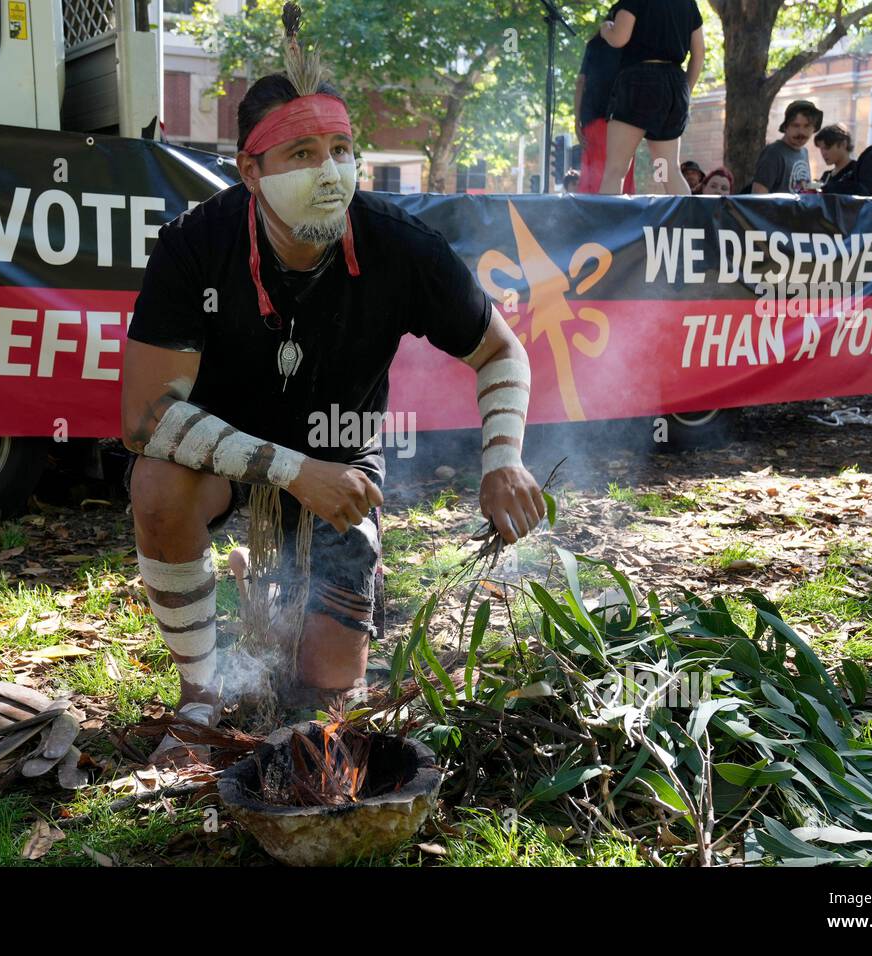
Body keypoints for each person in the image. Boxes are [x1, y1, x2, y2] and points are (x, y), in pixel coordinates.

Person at [120, 4, 546, 765]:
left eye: (342, 148)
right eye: (302, 154)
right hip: (223, 468)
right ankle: (201, 693)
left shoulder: (399, 244)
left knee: (324, 696)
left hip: (345, 471)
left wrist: (503, 458)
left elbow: (502, 352)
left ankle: (281, 598)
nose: (330, 171)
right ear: (251, 172)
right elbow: (147, 420)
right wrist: (291, 471)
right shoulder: (196, 244)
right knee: (157, 484)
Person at [597, 0, 705, 195]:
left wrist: (606, 29)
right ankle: (687, 222)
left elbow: (619, 38)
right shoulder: (688, 3)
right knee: (668, 170)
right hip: (675, 86)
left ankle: (609, 224)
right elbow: (699, 54)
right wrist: (684, 92)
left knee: (616, 170)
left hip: (639, 84)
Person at [573, 8, 636, 195]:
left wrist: (577, 119)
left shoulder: (594, 44)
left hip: (594, 118)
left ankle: (593, 221)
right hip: (625, 119)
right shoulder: (634, 43)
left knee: (594, 177)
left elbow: (580, 82)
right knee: (621, 177)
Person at [750, 99, 822, 194]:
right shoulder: (773, 153)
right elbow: (758, 197)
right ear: (785, 127)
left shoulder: (804, 152)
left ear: (814, 128)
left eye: (807, 126)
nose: (801, 132)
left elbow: (801, 187)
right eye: (796, 125)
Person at [814, 122, 859, 194]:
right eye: (821, 149)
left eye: (827, 148)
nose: (823, 153)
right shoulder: (826, 176)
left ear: (843, 144)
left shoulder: (857, 171)